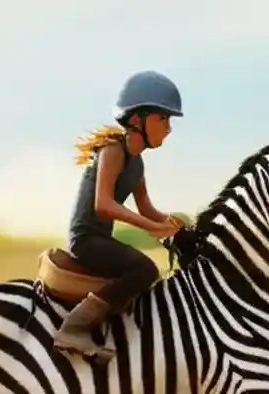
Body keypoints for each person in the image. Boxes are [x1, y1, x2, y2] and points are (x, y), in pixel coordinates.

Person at [53, 70, 184, 363]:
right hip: (87, 240)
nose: (168, 128)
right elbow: (104, 205)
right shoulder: (113, 150)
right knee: (145, 270)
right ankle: (74, 327)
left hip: (101, 239)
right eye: (162, 118)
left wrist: (177, 226)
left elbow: (146, 207)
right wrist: (151, 226)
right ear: (137, 119)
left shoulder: (136, 163)